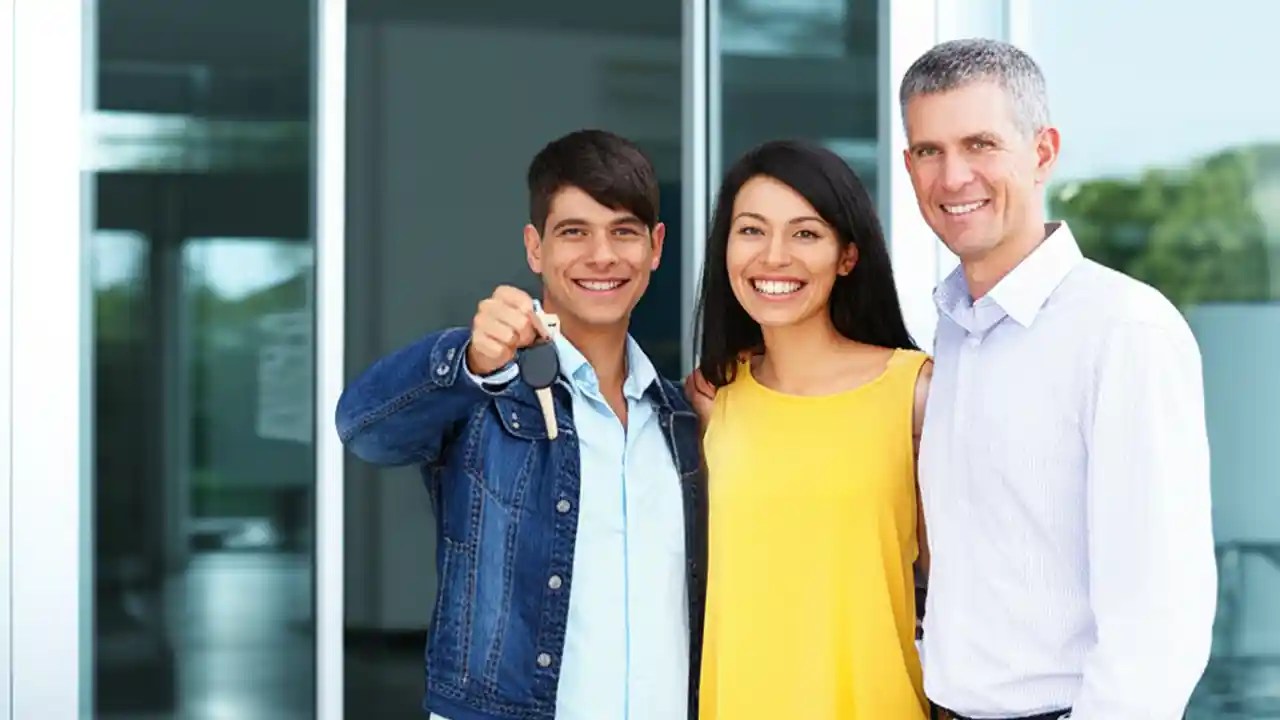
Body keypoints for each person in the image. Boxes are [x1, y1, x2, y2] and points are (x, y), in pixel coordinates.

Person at [335, 129, 706, 720]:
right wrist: (470, 361)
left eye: (624, 231)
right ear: (535, 249)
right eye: (574, 232)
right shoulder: (485, 396)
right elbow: (363, 430)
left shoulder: (683, 421)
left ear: (656, 247)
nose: (602, 255)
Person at [900, 38, 1217, 720]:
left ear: (1042, 153)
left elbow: (1159, 619)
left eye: (980, 144)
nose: (953, 176)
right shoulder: (954, 330)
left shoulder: (1123, 330)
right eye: (929, 151)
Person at [686, 139, 933, 719]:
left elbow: (960, 593)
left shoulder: (916, 393)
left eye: (805, 233)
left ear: (847, 256)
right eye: (751, 230)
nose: (774, 256)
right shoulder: (709, 399)